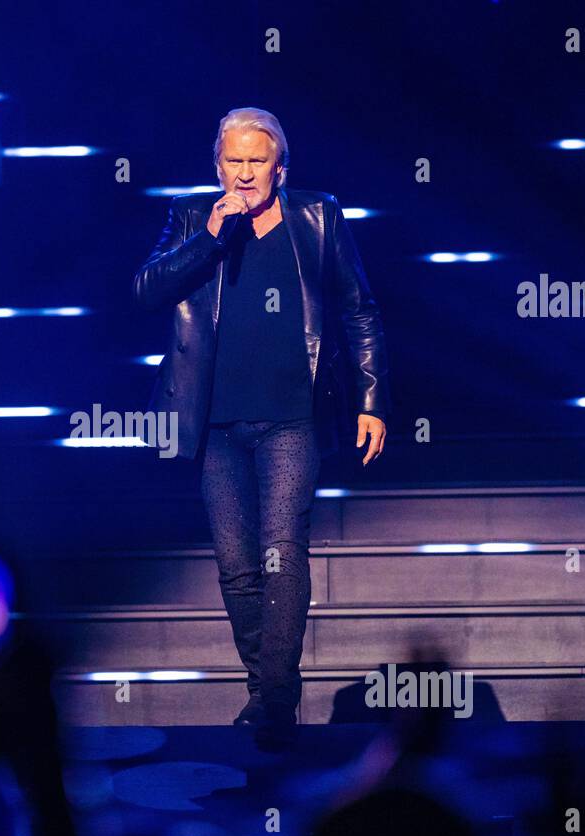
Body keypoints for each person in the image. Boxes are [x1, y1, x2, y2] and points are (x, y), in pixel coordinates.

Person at [132, 107, 391, 750]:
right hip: (213, 422)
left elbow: (359, 309)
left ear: (280, 166)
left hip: (291, 418)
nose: (245, 174)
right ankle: (268, 687)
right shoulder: (194, 216)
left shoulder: (318, 215)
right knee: (236, 564)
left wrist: (371, 398)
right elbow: (145, 290)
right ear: (216, 165)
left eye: (257, 161)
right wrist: (211, 237)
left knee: (283, 551)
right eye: (233, 161)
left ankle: (273, 698)